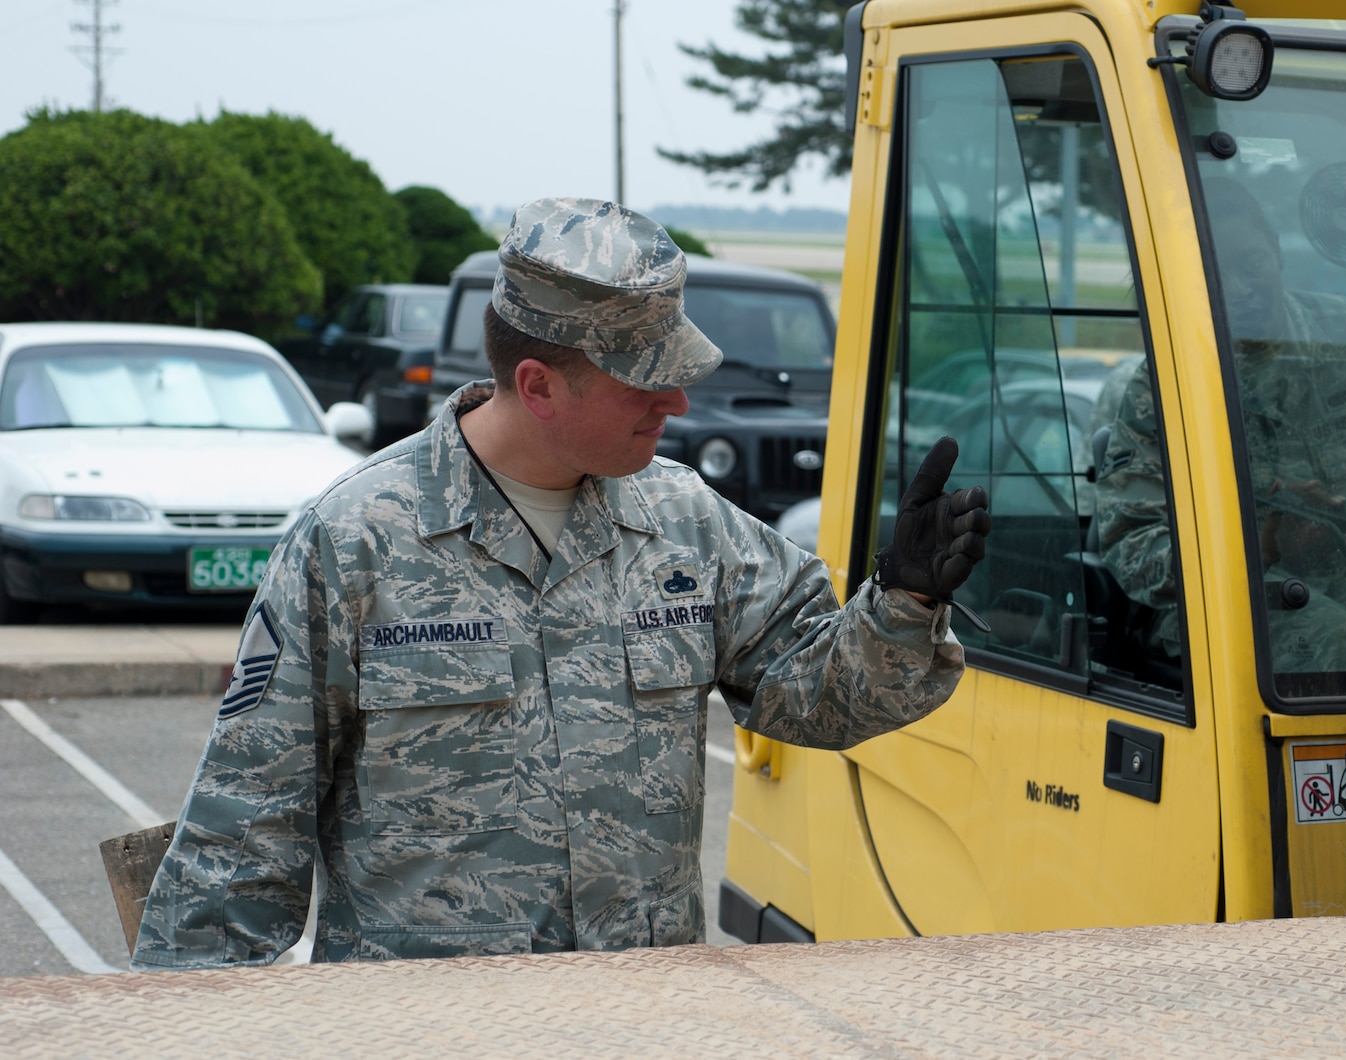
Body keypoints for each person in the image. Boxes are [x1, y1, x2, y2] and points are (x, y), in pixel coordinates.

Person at [132, 198, 990, 968]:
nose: (679, 404)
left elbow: (813, 701)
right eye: (645, 382)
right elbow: (243, 836)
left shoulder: (687, 523)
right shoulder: (355, 540)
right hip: (429, 1036)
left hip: (640, 1023)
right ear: (539, 385)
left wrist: (902, 607)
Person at [1093, 177, 1346, 677]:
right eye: (1214, 273)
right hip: (1226, 599)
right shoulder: (1165, 384)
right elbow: (1128, 540)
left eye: (1251, 265)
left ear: (1277, 251)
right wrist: (1257, 548)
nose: (1238, 288)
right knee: (1330, 643)